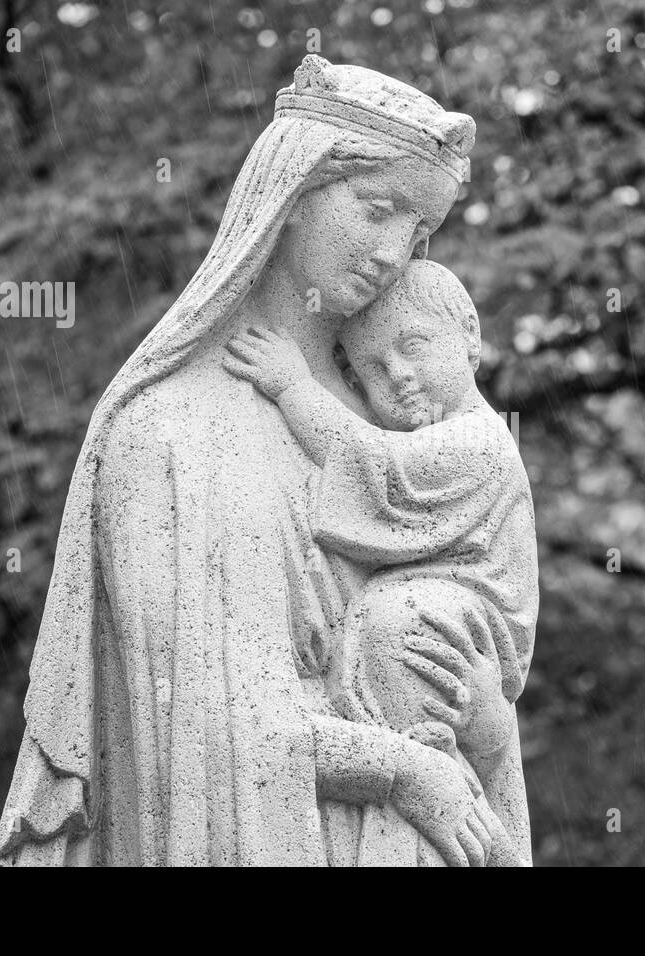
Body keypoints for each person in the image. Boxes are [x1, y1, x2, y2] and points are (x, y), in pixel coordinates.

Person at [0, 55, 532, 866]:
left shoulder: (397, 429)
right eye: (378, 208)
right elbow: (207, 728)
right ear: (294, 189)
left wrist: (485, 727)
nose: (394, 252)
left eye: (419, 232)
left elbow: (477, 730)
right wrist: (402, 770)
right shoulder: (171, 436)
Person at [224, 260, 538, 864]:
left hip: (455, 632)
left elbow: (380, 472)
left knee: (403, 641)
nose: (398, 375)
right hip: (430, 643)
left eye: (413, 346)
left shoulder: (479, 442)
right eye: (371, 367)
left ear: (469, 334)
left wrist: (294, 388)